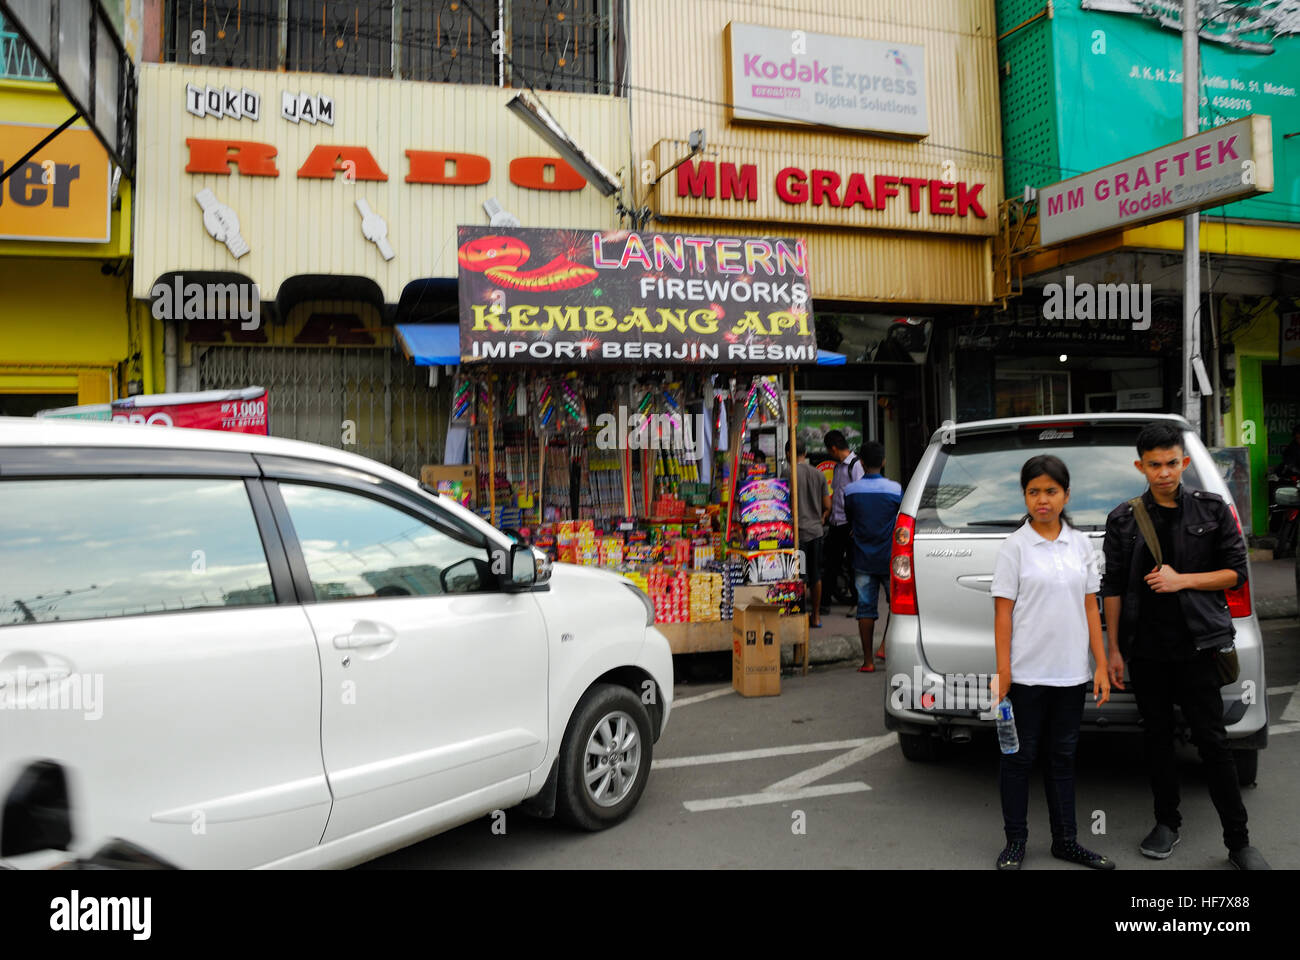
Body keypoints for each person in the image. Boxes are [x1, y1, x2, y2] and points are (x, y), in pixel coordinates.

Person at [1101, 421, 1268, 870]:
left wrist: (1181, 581)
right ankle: (1166, 823)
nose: (1164, 472)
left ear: (1185, 463)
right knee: (1155, 739)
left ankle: (1239, 843)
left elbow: (1236, 572)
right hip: (1147, 651)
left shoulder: (1211, 510)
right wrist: (1114, 651)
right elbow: (1112, 587)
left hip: (1199, 647)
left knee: (1214, 742)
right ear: (1141, 466)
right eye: (1154, 465)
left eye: (1171, 463)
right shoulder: (1122, 518)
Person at [989, 455, 1113, 871]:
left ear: (1066, 494)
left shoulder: (1080, 545)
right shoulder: (1015, 547)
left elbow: (1090, 608)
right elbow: (1003, 614)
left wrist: (1099, 664)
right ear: (1024, 496)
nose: (1042, 500)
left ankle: (1067, 841)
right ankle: (1015, 842)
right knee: (1018, 759)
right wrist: (1003, 672)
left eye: (1051, 491)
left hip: (1071, 674)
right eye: (1033, 492)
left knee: (1063, 758)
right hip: (1026, 674)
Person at [843, 442, 899, 671]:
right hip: (889, 556)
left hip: (862, 558)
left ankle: (868, 661)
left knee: (865, 609)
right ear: (883, 462)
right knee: (896, 606)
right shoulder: (896, 489)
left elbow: (850, 518)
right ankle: (884, 646)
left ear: (862, 463)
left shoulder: (851, 491)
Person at [785, 439, 831, 628]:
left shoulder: (788, 472)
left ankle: (801, 617)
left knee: (799, 576)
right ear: (804, 453)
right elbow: (827, 505)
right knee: (816, 575)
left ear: (789, 453)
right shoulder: (818, 474)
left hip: (798, 534)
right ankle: (816, 615)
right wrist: (822, 516)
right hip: (816, 533)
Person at [823, 429, 865, 612]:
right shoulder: (838, 467)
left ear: (833, 448)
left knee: (854, 565)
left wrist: (858, 524)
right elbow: (836, 495)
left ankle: (857, 603)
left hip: (850, 525)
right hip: (835, 522)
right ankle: (824, 603)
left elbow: (862, 496)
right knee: (831, 564)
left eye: (828, 450)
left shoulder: (855, 465)